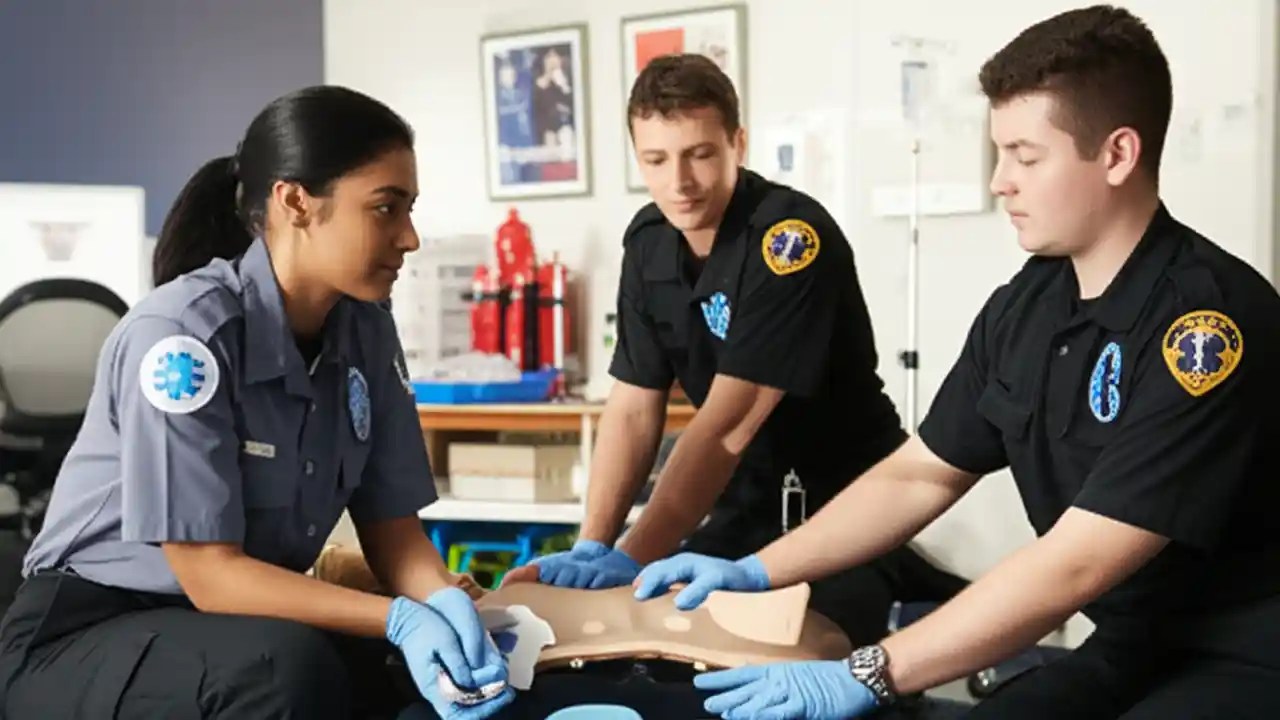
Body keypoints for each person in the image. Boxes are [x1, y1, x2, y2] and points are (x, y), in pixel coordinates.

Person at [633, 6, 1280, 719]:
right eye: (998, 153)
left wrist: (872, 669)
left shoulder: (1207, 329)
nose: (999, 181)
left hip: (1246, 652)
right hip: (1134, 639)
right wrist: (754, 570)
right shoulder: (1025, 309)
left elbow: (1077, 562)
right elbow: (922, 473)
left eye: (1026, 156)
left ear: (1118, 155)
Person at [0, 86, 514, 720]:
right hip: (85, 634)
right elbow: (209, 575)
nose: (409, 237)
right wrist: (400, 618)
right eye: (386, 208)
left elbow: (394, 535)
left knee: (406, 679)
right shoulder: (183, 338)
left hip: (236, 626)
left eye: (410, 209)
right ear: (296, 201)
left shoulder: (367, 334)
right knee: (287, 671)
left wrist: (444, 605)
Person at [504, 53, 966, 648]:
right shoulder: (648, 244)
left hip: (846, 508)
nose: (680, 182)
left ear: (737, 143)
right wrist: (597, 545)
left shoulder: (790, 239)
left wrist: (637, 551)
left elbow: (729, 425)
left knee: (800, 656)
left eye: (700, 154)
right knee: (655, 645)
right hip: (743, 506)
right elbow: (633, 407)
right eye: (656, 160)